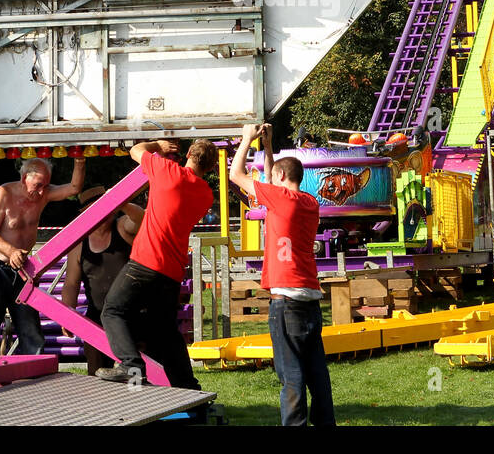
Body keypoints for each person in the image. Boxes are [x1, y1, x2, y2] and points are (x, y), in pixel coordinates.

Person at [229, 123, 335, 426]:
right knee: (317, 373)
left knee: (291, 375)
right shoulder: (310, 202)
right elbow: (272, 174)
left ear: (280, 178)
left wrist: (248, 140)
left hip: (285, 302)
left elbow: (236, 175)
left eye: (272, 175)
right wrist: (269, 144)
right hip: (310, 300)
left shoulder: (279, 198)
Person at [96, 138, 217, 388]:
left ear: (189, 154)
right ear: (212, 168)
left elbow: (135, 151)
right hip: (172, 272)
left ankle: (131, 365)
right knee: (165, 332)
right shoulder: (205, 194)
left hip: (146, 261)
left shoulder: (167, 171)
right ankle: (188, 388)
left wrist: (157, 146)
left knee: (113, 310)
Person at [0, 157, 102, 355]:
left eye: (46, 185)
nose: (42, 191)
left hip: (22, 268)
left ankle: (35, 374)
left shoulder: (43, 194)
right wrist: (11, 251)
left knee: (30, 328)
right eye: (38, 185)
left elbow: (73, 187)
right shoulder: (4, 193)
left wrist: (80, 160)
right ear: (25, 177)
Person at [61, 192, 144, 375]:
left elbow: (141, 219)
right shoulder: (79, 244)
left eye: (105, 208)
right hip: (97, 318)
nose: (102, 214)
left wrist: (121, 202)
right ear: (86, 214)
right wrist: (68, 313)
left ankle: (137, 400)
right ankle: (102, 404)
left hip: (133, 315)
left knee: (137, 377)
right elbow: (71, 284)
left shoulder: (122, 227)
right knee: (97, 374)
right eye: (96, 210)